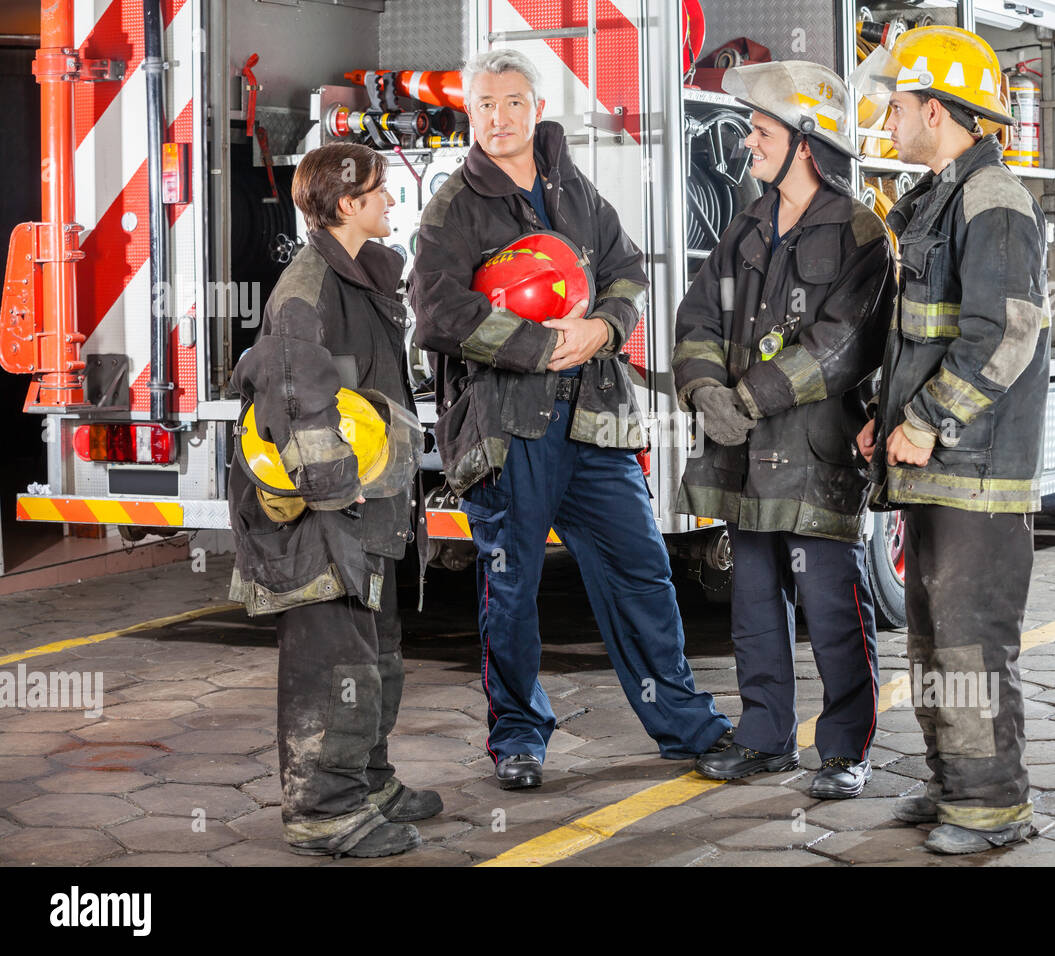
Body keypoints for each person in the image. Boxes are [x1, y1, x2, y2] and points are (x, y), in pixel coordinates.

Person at [410, 49, 732, 791]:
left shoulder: (574, 188)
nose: (499, 118)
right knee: (511, 586)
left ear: (537, 107)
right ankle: (519, 737)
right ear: (471, 113)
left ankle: (687, 726)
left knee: (642, 571)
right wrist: (540, 345)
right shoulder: (454, 205)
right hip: (506, 427)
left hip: (594, 423)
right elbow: (438, 313)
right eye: (485, 104)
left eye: (513, 103)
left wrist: (607, 329)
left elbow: (627, 270)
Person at [851, 26, 1050, 853]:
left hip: (976, 470)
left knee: (969, 641)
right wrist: (886, 413)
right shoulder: (937, 193)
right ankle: (952, 784)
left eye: (897, 106)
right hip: (937, 464)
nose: (887, 120)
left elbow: (1006, 334)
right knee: (934, 635)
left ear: (936, 110)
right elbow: (920, 336)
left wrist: (927, 422)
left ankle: (992, 805)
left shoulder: (992, 199)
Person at [675, 61, 896, 798]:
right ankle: (766, 736)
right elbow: (698, 312)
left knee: (833, 608)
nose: (747, 145)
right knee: (753, 601)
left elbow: (842, 344)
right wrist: (704, 386)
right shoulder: (747, 220)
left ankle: (844, 749)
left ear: (806, 141)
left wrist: (750, 398)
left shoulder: (860, 231)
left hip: (814, 454)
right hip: (745, 456)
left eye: (761, 132)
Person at [227, 143, 442, 857]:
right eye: (381, 192)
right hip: (327, 522)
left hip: (364, 515)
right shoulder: (308, 288)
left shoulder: (362, 280)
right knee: (333, 666)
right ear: (349, 204)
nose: (390, 202)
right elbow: (292, 403)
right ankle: (324, 812)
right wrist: (336, 499)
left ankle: (368, 782)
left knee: (375, 655)